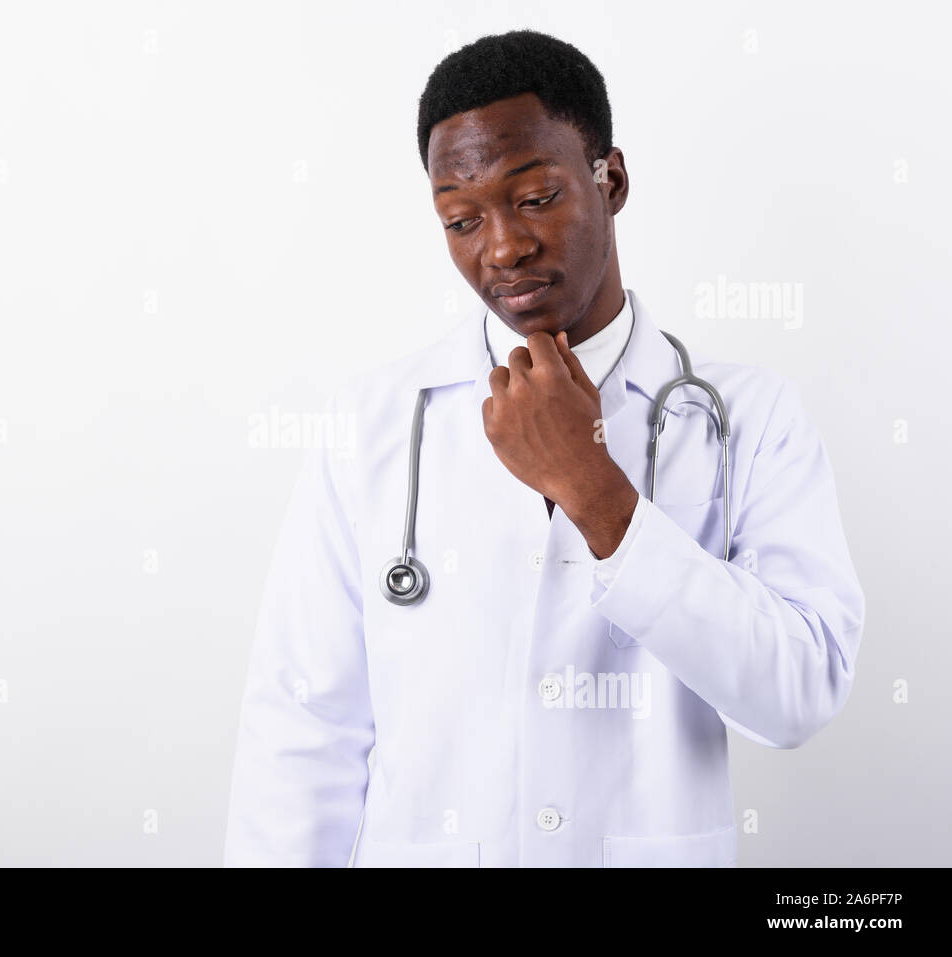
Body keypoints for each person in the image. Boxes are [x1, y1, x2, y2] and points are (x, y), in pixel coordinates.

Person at [224, 29, 864, 867]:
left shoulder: (750, 417)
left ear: (613, 179)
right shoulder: (374, 425)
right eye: (461, 218)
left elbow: (800, 693)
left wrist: (598, 493)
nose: (501, 247)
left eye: (534, 198)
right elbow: (302, 733)